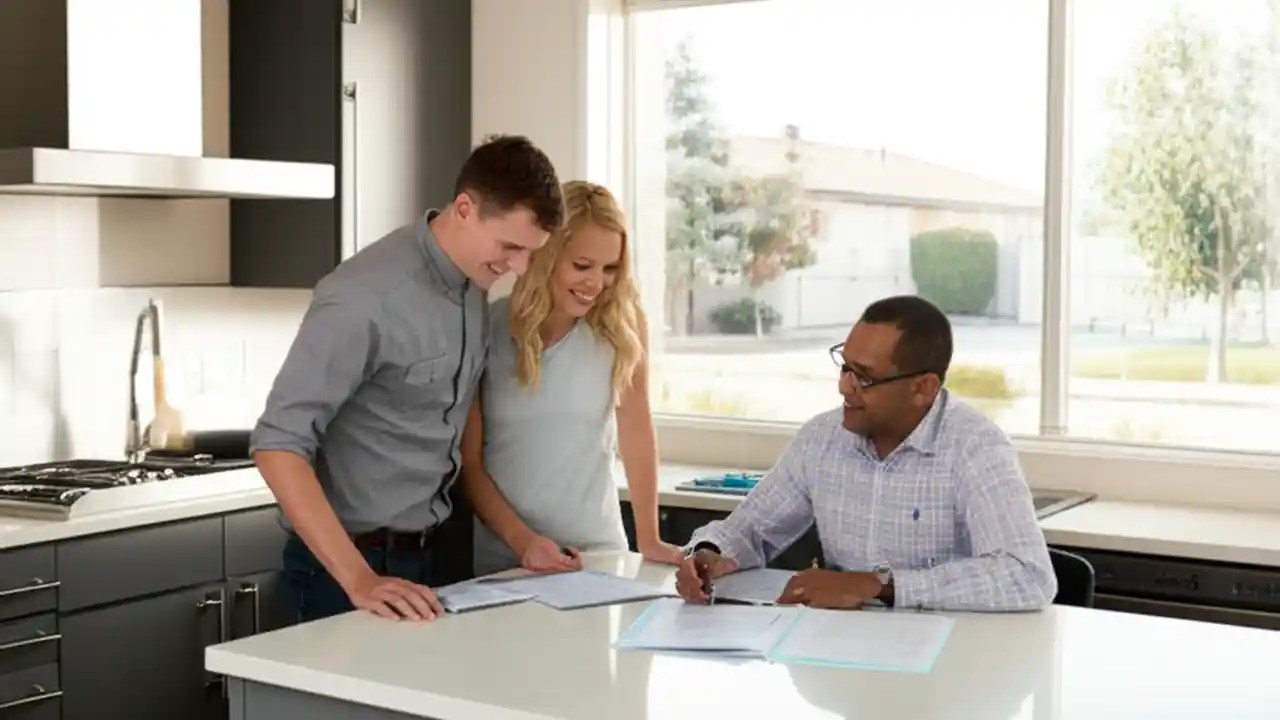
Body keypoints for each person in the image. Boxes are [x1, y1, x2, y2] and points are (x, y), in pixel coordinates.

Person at [251, 135, 564, 623]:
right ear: (464, 209)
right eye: (511, 247)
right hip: (342, 574)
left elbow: (461, 448)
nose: (520, 268)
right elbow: (277, 444)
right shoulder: (364, 297)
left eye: (530, 253)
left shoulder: (471, 287)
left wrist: (523, 542)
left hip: (429, 562)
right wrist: (359, 579)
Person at [674, 295, 1057, 612]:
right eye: (844, 367)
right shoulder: (822, 438)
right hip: (842, 660)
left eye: (865, 377)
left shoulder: (975, 447)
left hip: (946, 670)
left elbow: (1028, 575)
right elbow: (749, 528)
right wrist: (709, 553)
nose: (844, 387)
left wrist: (880, 585)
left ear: (923, 388)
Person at [460, 181, 683, 577]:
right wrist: (524, 543)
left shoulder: (620, 331)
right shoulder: (485, 327)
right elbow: (470, 464)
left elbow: (636, 431)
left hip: (597, 557)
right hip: (504, 561)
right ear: (546, 255)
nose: (596, 283)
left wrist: (648, 538)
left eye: (609, 268)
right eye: (582, 266)